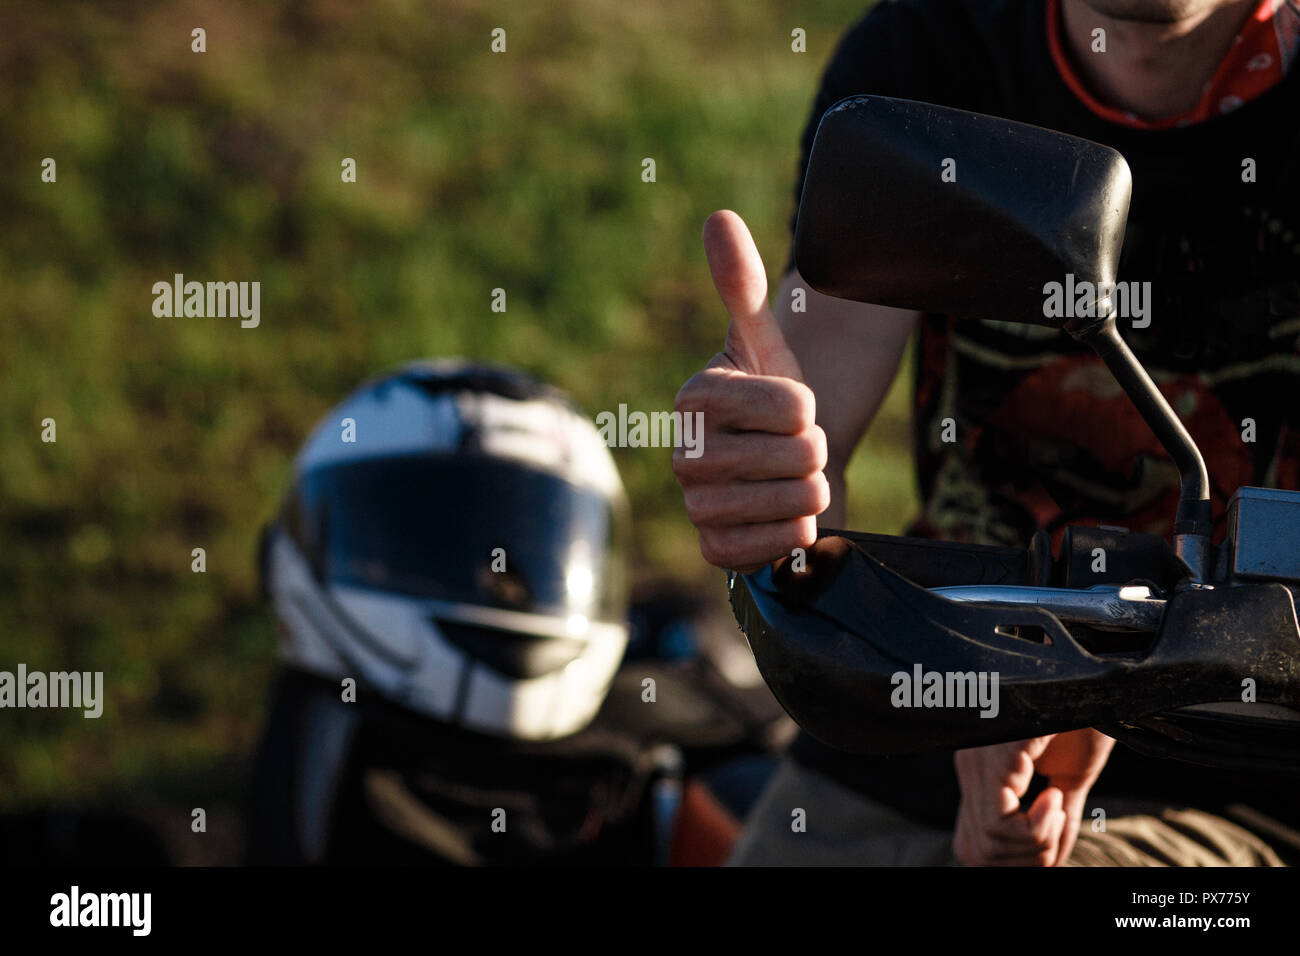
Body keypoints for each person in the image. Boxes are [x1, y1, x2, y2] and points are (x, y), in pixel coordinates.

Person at [672, 0, 1300, 866]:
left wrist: (1125, 674)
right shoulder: (928, 58)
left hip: (1254, 769)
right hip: (935, 694)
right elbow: (813, 422)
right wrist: (764, 476)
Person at [246, 360, 786, 865]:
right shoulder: (327, 778)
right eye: (444, 549)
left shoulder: (687, 716)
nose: (502, 586)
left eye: (525, 557)